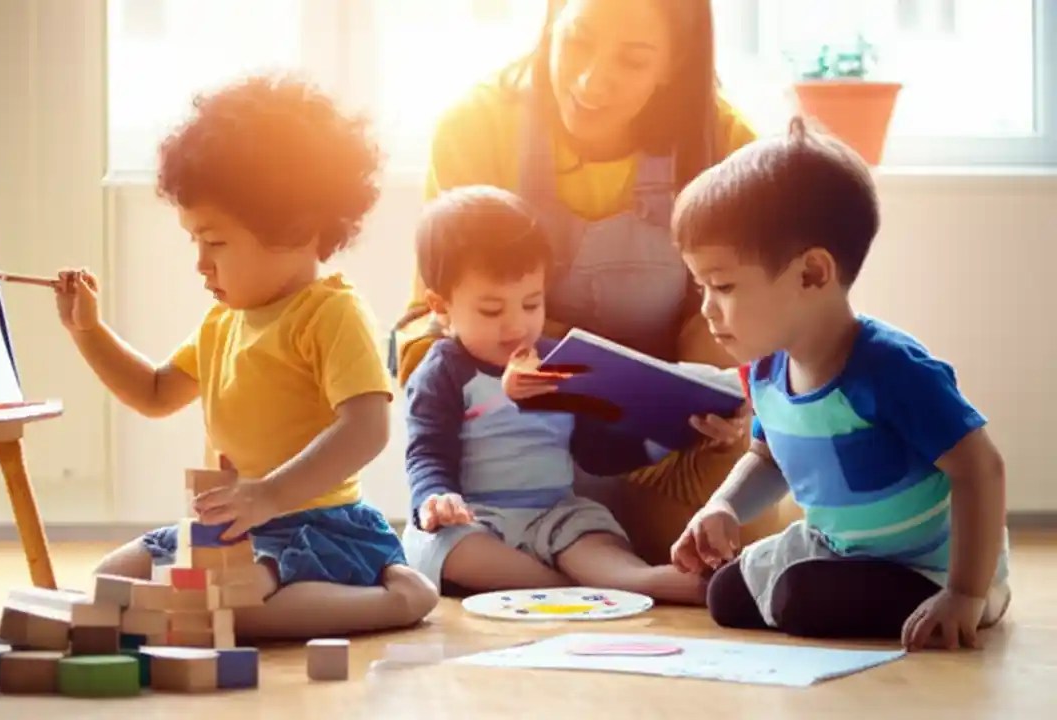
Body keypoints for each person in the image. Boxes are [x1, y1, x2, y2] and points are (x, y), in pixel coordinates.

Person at [392, 0, 799, 566]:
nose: (591, 81)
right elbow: (427, 321)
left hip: (649, 447)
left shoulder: (722, 144)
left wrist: (723, 404)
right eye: (578, 41)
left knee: (734, 533)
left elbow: (740, 323)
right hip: (507, 436)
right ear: (550, 21)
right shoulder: (479, 126)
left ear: (674, 61)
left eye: (632, 61)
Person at [53, 73, 438, 639]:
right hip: (235, 525)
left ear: (298, 227)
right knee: (107, 584)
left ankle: (397, 599)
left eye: (216, 242)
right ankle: (274, 593)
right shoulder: (223, 320)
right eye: (195, 242)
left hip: (314, 523)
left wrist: (270, 495)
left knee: (227, 612)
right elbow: (156, 393)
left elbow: (367, 430)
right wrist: (88, 331)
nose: (201, 264)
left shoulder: (330, 313)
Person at [668, 117, 1011, 651]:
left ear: (811, 274)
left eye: (723, 286)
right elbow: (768, 457)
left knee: (803, 600)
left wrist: (967, 593)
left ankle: (983, 594)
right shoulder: (765, 368)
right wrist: (724, 507)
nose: (708, 309)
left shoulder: (890, 368)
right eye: (701, 288)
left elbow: (981, 468)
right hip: (840, 550)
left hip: (929, 566)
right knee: (726, 595)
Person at [402, 185, 706, 604]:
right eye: (492, 311)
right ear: (440, 306)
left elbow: (597, 454)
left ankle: (645, 581)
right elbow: (426, 451)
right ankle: (568, 588)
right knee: (447, 549)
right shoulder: (443, 371)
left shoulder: (558, 362)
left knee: (595, 539)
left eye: (531, 304)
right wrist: (436, 497)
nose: (515, 326)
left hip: (557, 513)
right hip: (477, 516)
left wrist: (670, 434)